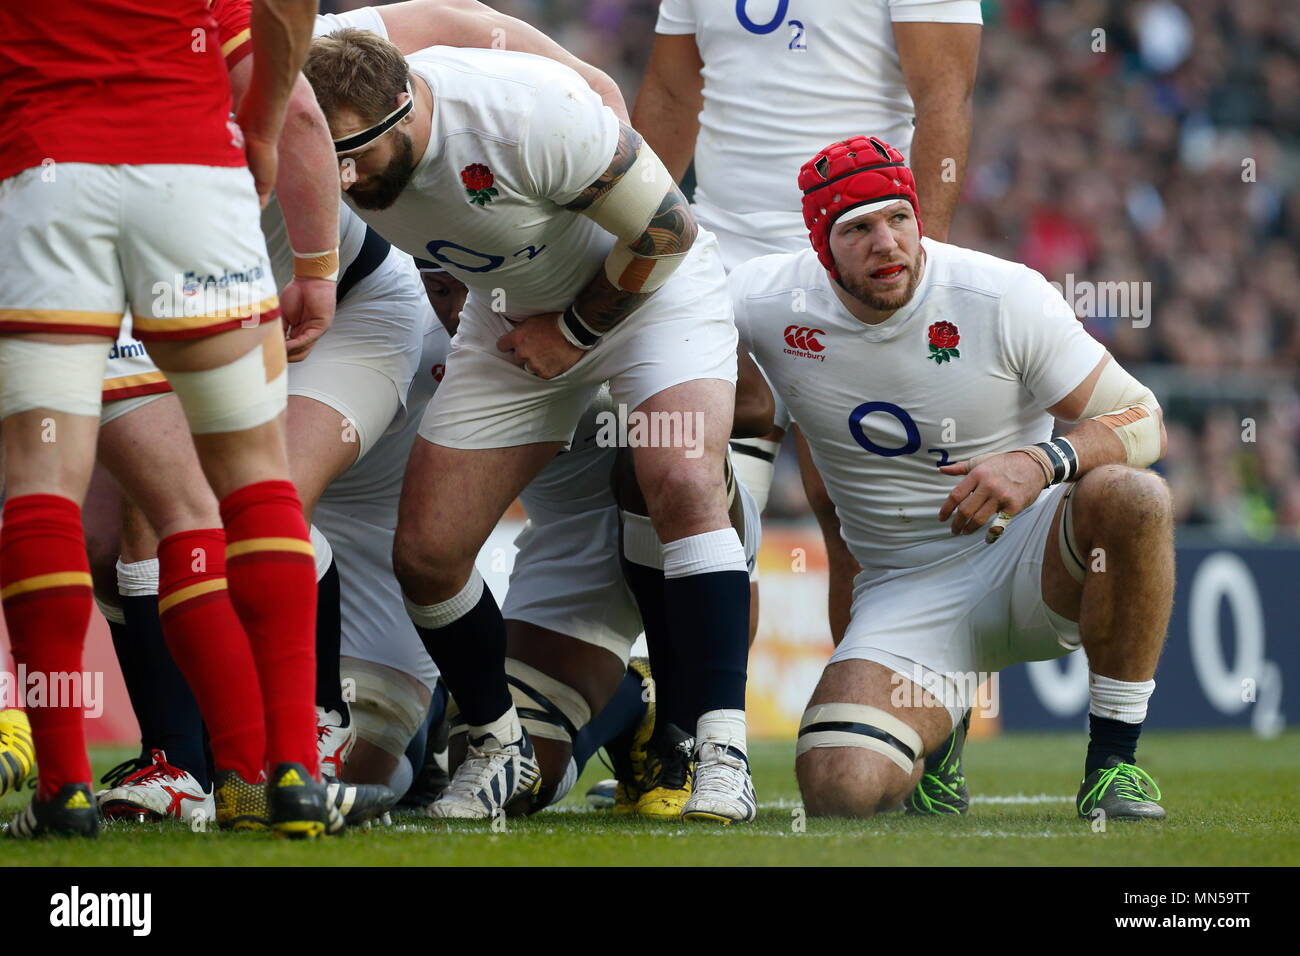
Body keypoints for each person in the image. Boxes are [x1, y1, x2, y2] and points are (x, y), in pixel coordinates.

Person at [304, 22, 757, 822]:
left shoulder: (524, 116)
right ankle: (496, 745)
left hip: (648, 293)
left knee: (682, 477)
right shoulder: (327, 99)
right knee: (429, 554)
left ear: (407, 112)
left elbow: (667, 230)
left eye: (355, 156)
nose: (338, 178)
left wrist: (575, 333)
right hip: (512, 313)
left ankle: (718, 748)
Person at [732, 137, 1173, 821]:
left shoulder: (1001, 294)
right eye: (858, 229)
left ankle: (1114, 762)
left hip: (1033, 558)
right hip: (906, 589)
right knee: (838, 788)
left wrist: (1040, 461)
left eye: (899, 217)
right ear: (822, 248)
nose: (887, 243)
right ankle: (940, 744)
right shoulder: (766, 301)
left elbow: (1145, 420)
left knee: (1134, 495)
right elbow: (670, 317)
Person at [631, 0, 983, 811]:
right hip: (717, 254)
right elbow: (673, 100)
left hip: (856, 245)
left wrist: (919, 264)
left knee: (856, 515)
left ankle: (925, 732)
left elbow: (943, 102)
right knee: (697, 494)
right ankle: (700, 739)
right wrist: (632, 237)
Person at [0, 0, 327, 840]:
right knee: (249, 477)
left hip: (44, 181)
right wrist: (255, 134)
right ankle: (288, 770)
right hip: (192, 182)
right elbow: (284, 21)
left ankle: (65, 787)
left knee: (41, 482)